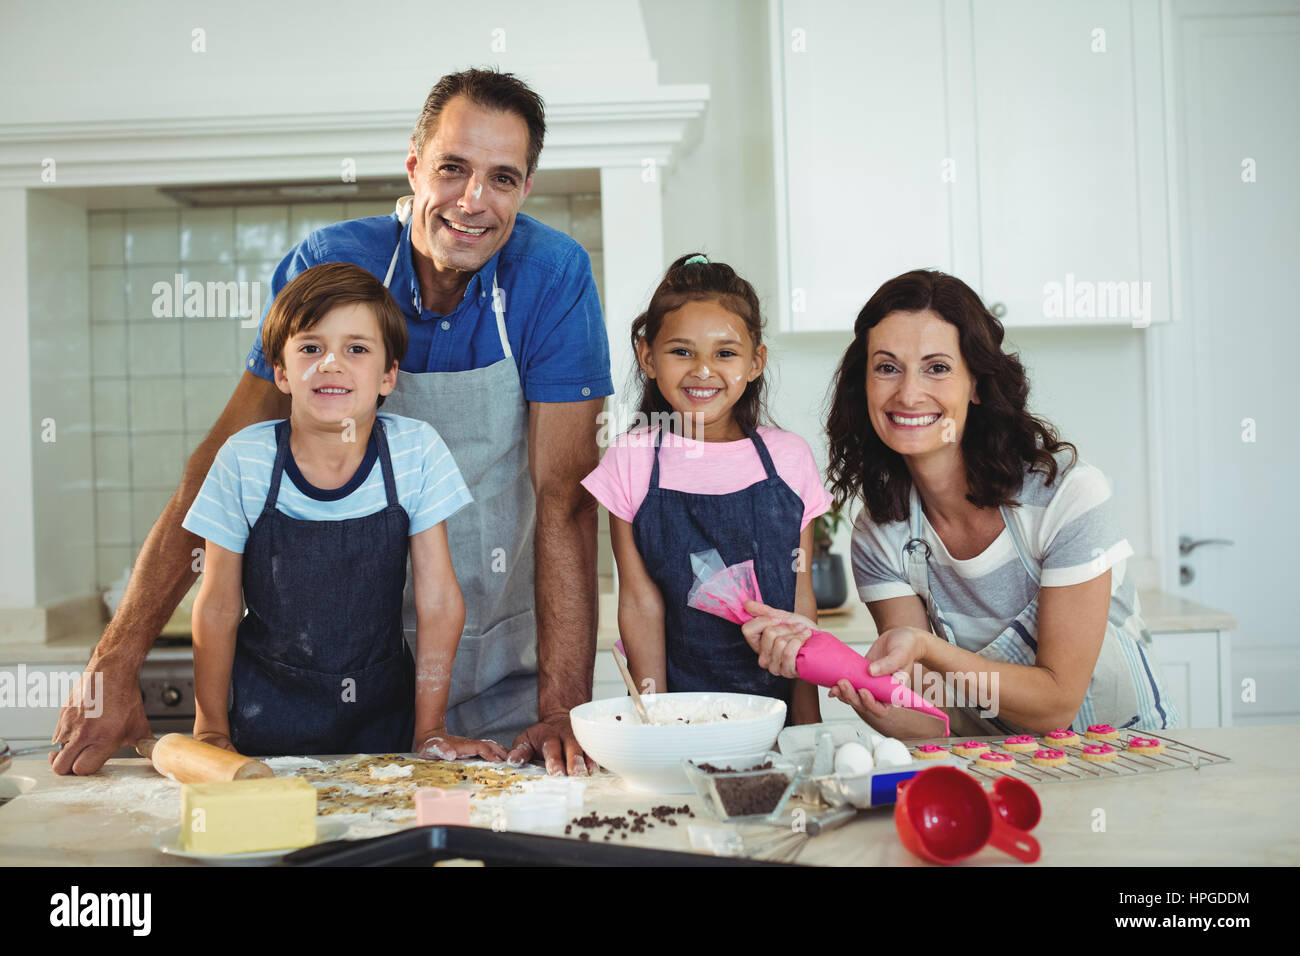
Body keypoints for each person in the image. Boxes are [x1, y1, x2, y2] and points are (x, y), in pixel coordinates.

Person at [53, 68, 610, 775]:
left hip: (497, 680)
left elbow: (564, 497)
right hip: (328, 700)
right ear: (413, 167)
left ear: (526, 188)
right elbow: (220, 466)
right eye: (452, 169)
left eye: (502, 177)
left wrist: (564, 708)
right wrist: (116, 658)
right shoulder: (329, 265)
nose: (474, 201)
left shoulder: (551, 275)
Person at [742, 269, 1178, 736]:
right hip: (990, 768)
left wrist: (927, 649)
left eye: (937, 367)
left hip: (1130, 759)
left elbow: (1055, 705)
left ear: (977, 384)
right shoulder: (882, 533)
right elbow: (930, 716)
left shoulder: (1066, 496)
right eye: (887, 367)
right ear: (863, 385)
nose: (909, 394)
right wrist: (841, 673)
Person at [183, 263, 504, 760]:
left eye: (357, 349)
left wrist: (431, 731)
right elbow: (219, 605)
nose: (331, 364)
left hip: (383, 728)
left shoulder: (415, 452)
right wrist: (210, 731)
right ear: (282, 372)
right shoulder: (244, 460)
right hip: (262, 728)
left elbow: (439, 600)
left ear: (389, 374)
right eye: (311, 348)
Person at [581, 254, 830, 722]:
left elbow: (799, 598)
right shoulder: (632, 459)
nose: (702, 370)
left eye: (725, 353)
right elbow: (639, 602)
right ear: (647, 357)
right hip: (680, 713)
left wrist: (806, 723)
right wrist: (653, 717)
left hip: (773, 714)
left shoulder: (789, 459)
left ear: (755, 363)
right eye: (681, 351)